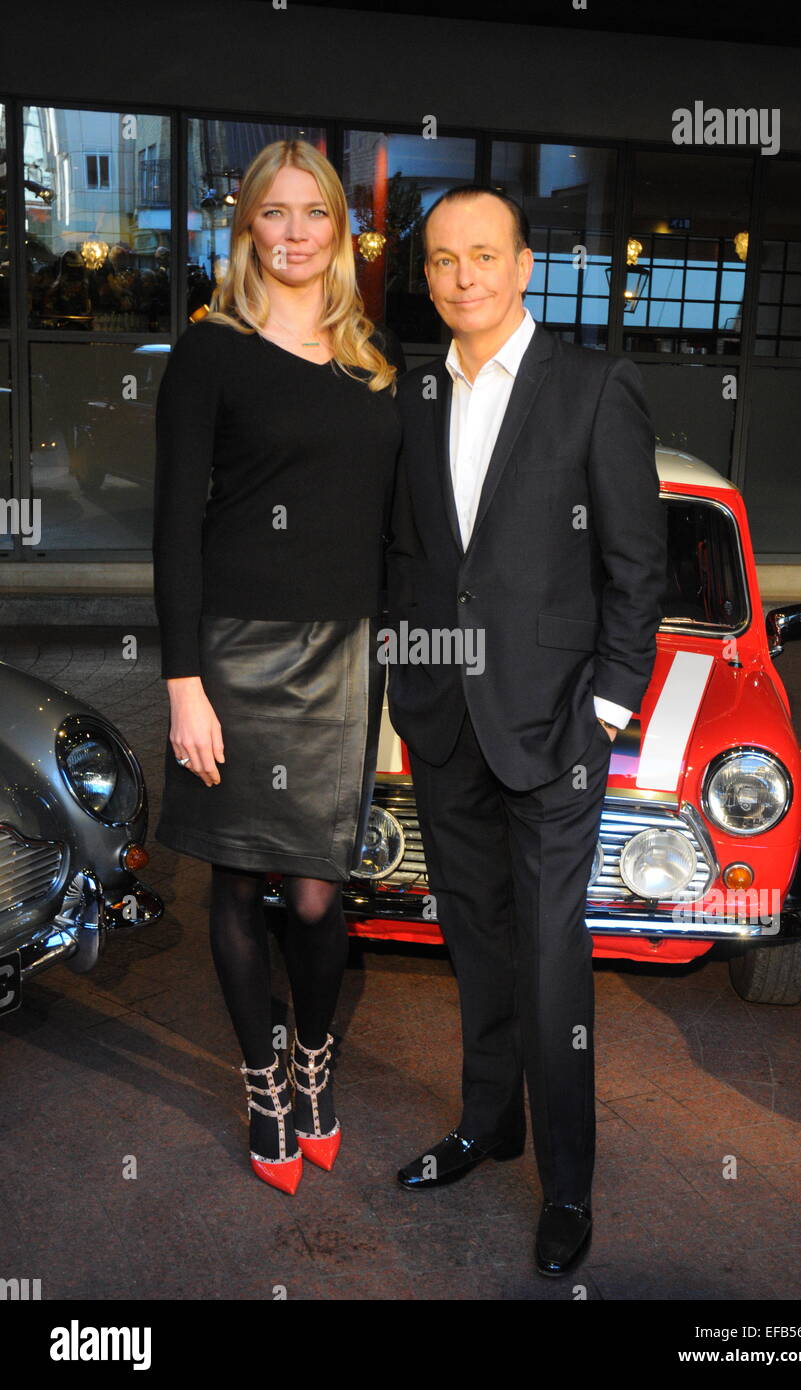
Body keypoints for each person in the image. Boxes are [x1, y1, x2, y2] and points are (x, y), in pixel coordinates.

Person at [385, 186, 666, 1274]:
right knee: (477, 941)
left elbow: (634, 570)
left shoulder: (593, 386)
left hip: (555, 730)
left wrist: (600, 713)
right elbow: (411, 561)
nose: (463, 277)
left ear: (525, 264)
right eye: (444, 259)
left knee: (551, 961)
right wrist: (408, 684)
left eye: (484, 255)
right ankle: (483, 1123)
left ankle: (568, 1187)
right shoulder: (413, 390)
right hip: (444, 719)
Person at [152, 139, 403, 1195]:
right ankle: (263, 1084)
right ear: (245, 224)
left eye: (314, 213)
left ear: (339, 228)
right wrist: (181, 683)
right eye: (274, 212)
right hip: (233, 655)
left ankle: (313, 1060)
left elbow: (395, 527)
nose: (295, 232)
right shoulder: (209, 349)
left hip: (345, 653)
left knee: (315, 895)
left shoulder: (374, 356)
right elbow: (173, 524)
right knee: (238, 873)